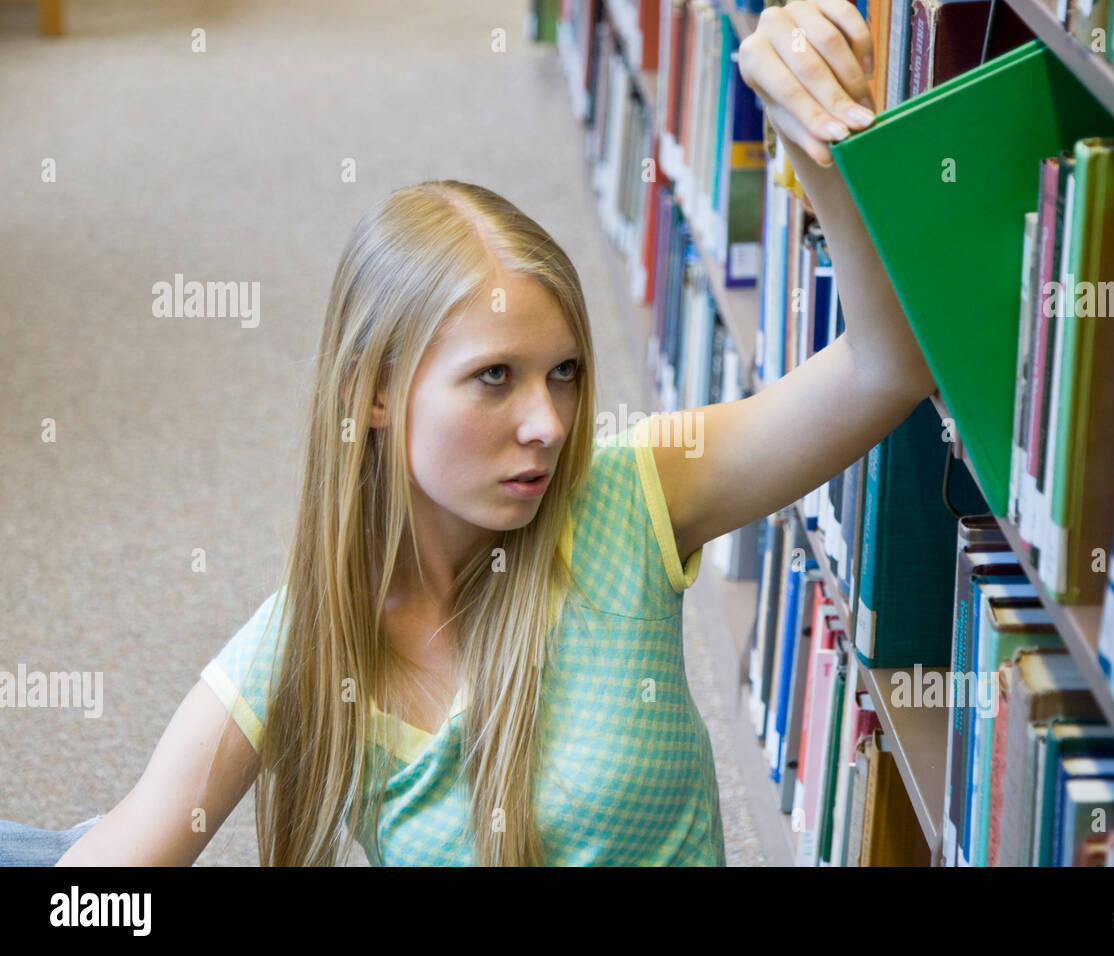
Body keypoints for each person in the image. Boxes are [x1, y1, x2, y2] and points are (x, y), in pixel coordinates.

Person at [7, 0, 931, 866]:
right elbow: (117, 874)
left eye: (564, 372)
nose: (550, 423)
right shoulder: (309, 640)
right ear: (374, 392)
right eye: (495, 378)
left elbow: (886, 366)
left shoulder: (638, 490)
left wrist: (819, 145)